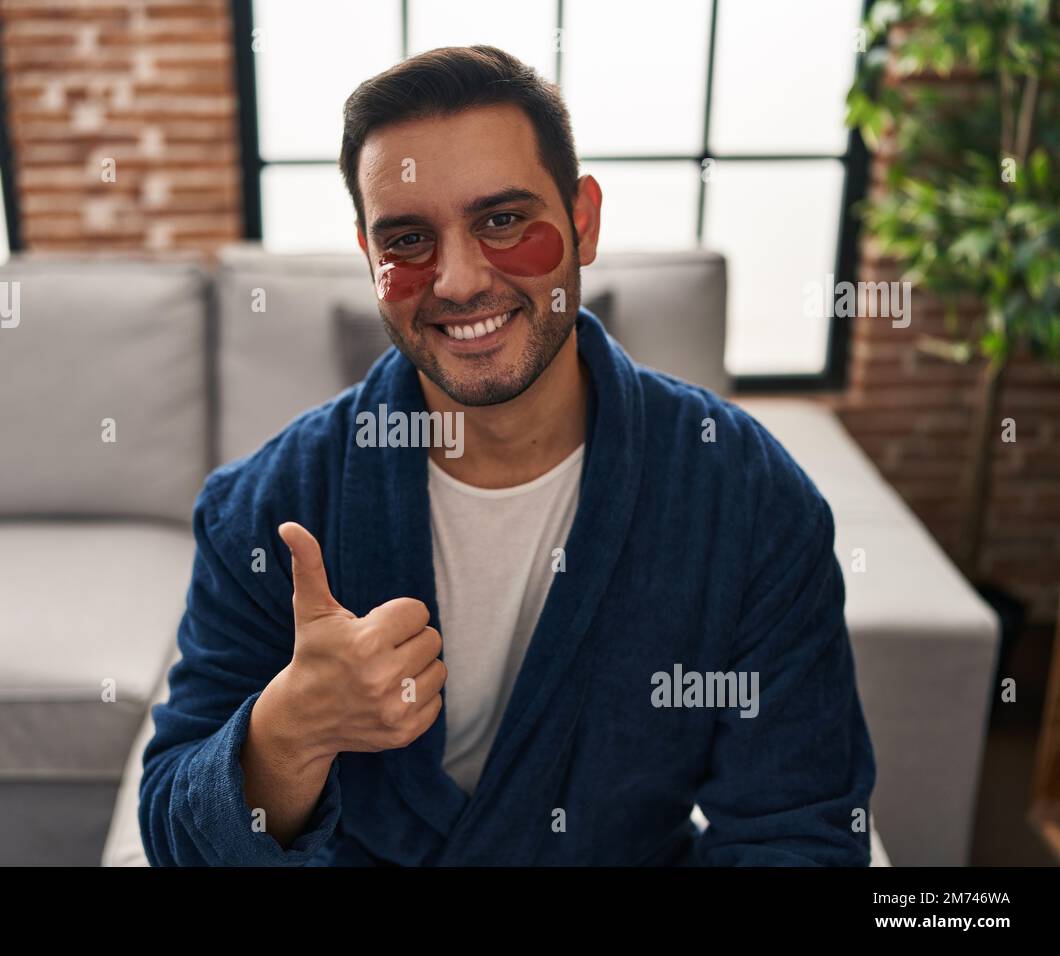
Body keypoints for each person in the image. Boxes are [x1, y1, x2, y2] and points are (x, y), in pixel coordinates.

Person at [139, 45, 875, 866]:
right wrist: (287, 735)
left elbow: (795, 828)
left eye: (502, 221)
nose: (457, 281)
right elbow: (174, 835)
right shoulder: (268, 505)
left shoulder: (746, 499)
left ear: (583, 220)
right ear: (371, 259)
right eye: (409, 239)